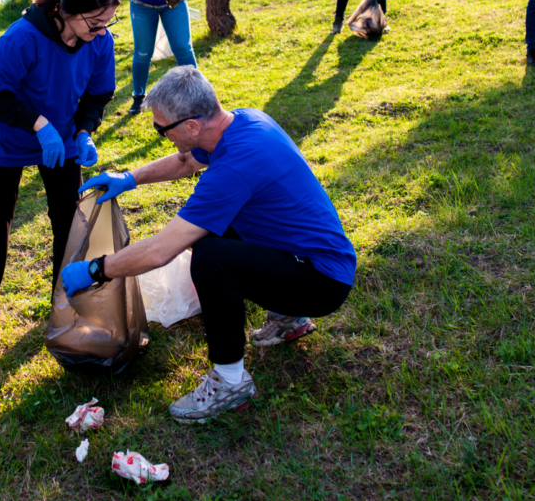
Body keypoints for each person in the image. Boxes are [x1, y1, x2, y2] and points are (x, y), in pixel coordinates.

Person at [63, 67, 356, 424]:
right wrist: (129, 178)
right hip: (314, 258)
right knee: (218, 231)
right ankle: (288, 317)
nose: (160, 135)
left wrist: (96, 269)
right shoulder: (242, 121)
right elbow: (187, 161)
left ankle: (230, 381)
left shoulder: (233, 168)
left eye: (162, 128)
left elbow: (161, 250)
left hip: (321, 282)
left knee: (210, 259)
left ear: (191, 125)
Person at [0, 0, 120, 349]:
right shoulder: (23, 37)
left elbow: (99, 93)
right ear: (68, 9)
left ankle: (66, 301)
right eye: (95, 22)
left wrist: (83, 130)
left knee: (70, 221)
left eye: (107, 23)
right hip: (8, 140)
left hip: (61, 140)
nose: (101, 31)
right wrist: (38, 124)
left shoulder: (99, 41)